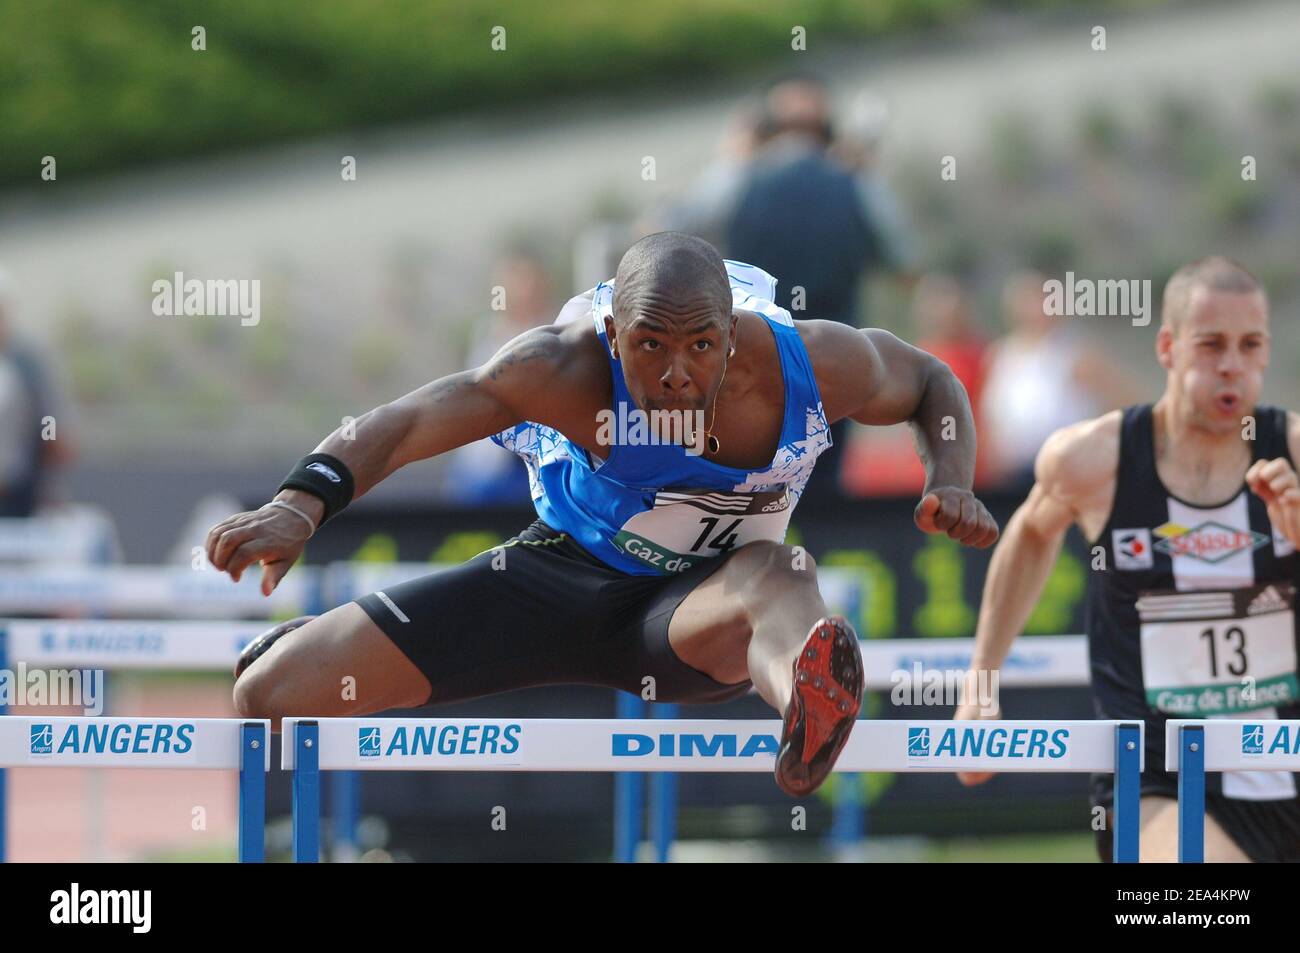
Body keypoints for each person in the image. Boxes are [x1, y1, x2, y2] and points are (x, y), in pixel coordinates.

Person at [207, 233, 997, 796]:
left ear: (733, 338)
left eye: (699, 347)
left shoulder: (809, 365)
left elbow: (930, 380)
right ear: (614, 337)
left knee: (781, 570)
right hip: (549, 579)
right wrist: (300, 503)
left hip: (693, 616)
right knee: (269, 692)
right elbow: (411, 419)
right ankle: (299, 650)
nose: (677, 374)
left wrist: (952, 476)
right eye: (650, 346)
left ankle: (809, 704)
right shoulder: (560, 367)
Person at [956, 256, 1300, 861]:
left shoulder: (1293, 454)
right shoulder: (1096, 461)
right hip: (1154, 772)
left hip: (1283, 757)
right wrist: (981, 685)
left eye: (1250, 346)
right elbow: (1031, 536)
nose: (1231, 366)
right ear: (1168, 347)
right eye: (1211, 344)